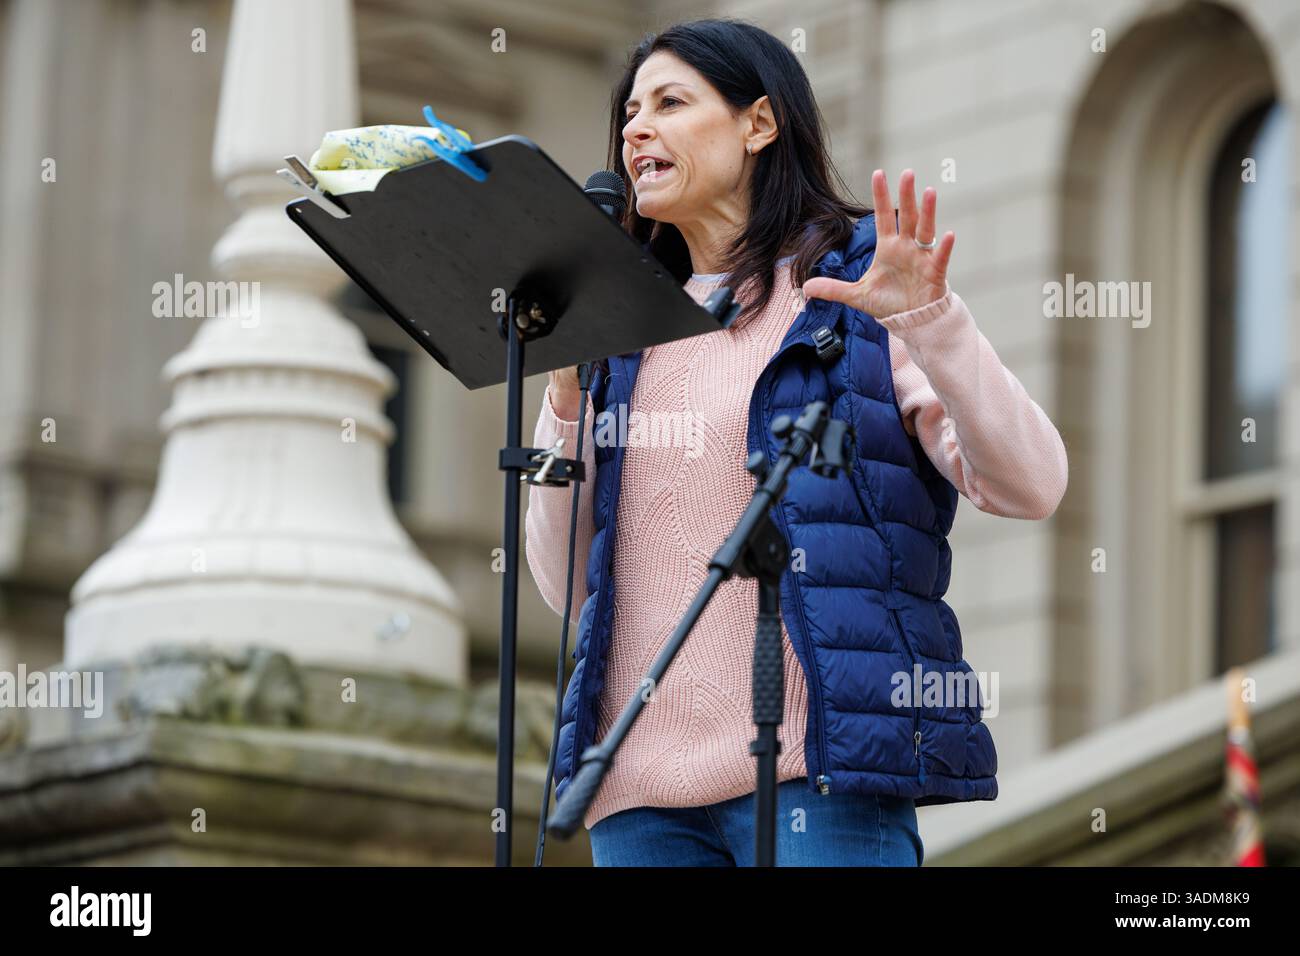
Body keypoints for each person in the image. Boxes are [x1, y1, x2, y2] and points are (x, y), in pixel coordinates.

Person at [525, 18, 1068, 866]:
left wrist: (933, 322)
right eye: (629, 112)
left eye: (670, 102)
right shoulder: (617, 326)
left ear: (759, 123)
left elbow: (1031, 484)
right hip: (635, 800)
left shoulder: (856, 286)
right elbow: (566, 591)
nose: (635, 130)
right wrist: (564, 391)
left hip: (816, 779)